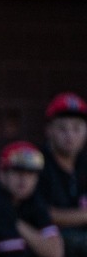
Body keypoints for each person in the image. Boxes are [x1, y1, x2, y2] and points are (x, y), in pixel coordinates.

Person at [39, 92, 87, 229]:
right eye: (62, 128)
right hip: (48, 242)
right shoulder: (36, 163)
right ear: (48, 130)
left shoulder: (83, 163)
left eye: (77, 128)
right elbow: (39, 213)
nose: (70, 135)